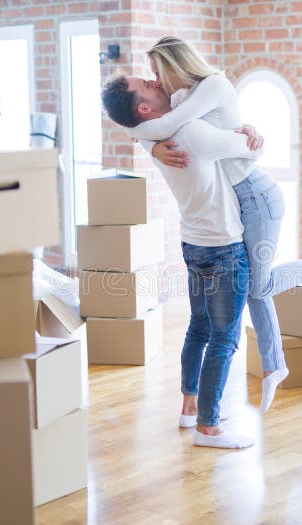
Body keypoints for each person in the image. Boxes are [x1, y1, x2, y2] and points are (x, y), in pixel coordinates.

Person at [126, 37, 302, 413]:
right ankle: (274, 367)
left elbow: (168, 124)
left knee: (258, 285)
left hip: (258, 195)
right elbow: (151, 119)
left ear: (175, 64)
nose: (157, 80)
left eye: (157, 72)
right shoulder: (183, 101)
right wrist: (144, 140)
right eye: (151, 77)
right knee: (254, 289)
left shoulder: (212, 85)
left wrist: (143, 137)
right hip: (239, 198)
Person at [102, 75, 260, 449]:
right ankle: (209, 427)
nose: (156, 81)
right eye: (146, 84)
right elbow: (252, 149)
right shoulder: (191, 132)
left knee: (199, 328)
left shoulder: (154, 139)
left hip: (192, 244)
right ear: (144, 107)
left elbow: (137, 133)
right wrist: (249, 130)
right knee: (224, 338)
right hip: (223, 246)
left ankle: (190, 407)